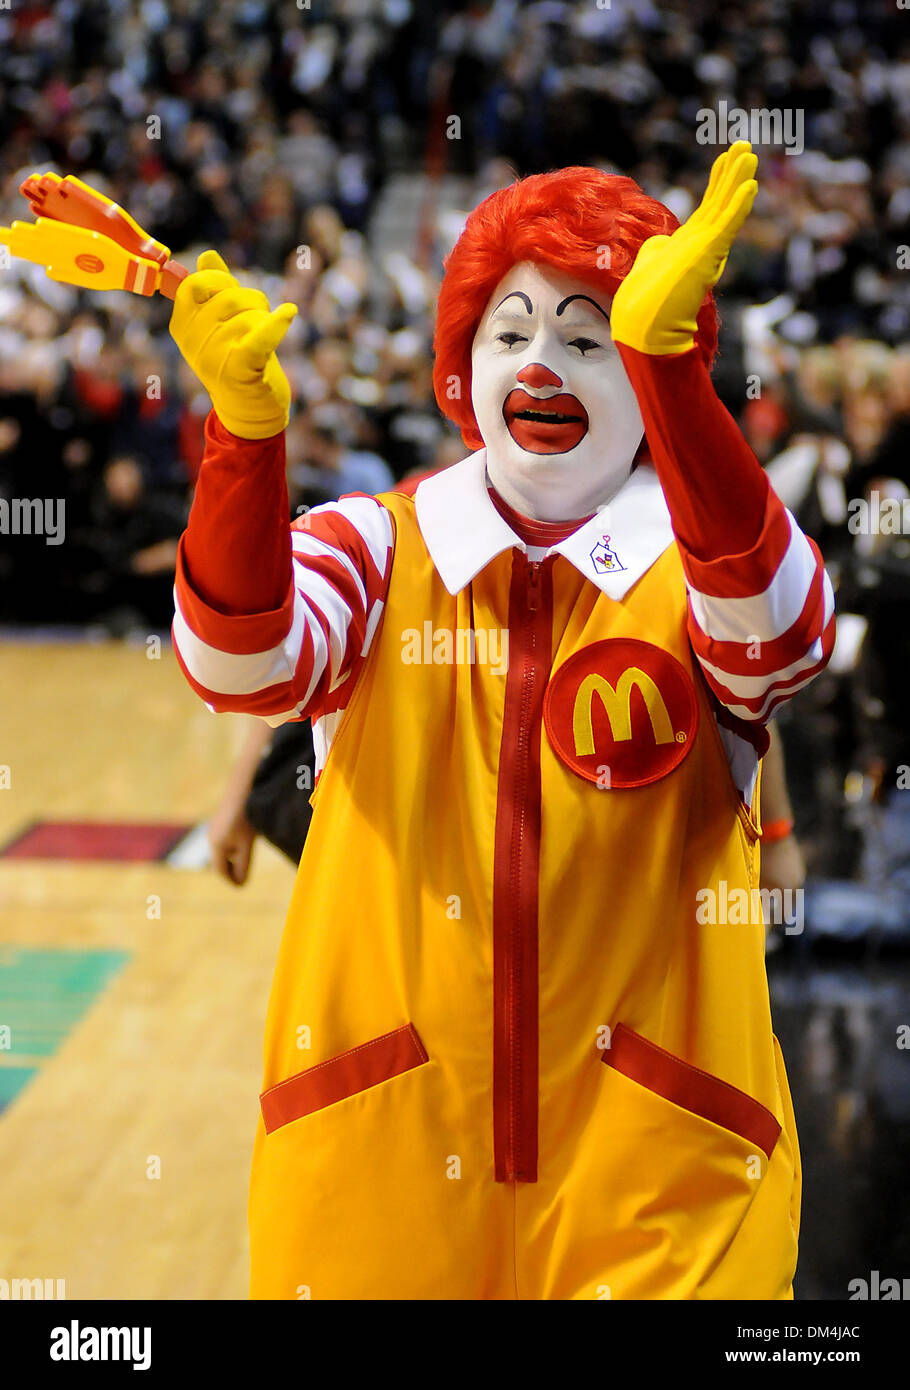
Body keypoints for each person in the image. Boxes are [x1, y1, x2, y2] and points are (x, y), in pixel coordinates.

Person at [170, 143, 834, 1300]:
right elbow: (241, 662)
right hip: (383, 1166)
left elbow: (782, 636)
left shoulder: (702, 563)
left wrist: (674, 380)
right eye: (511, 329)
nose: (542, 363)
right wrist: (243, 441)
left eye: (590, 340)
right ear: (461, 365)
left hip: (662, 1174)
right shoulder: (374, 546)